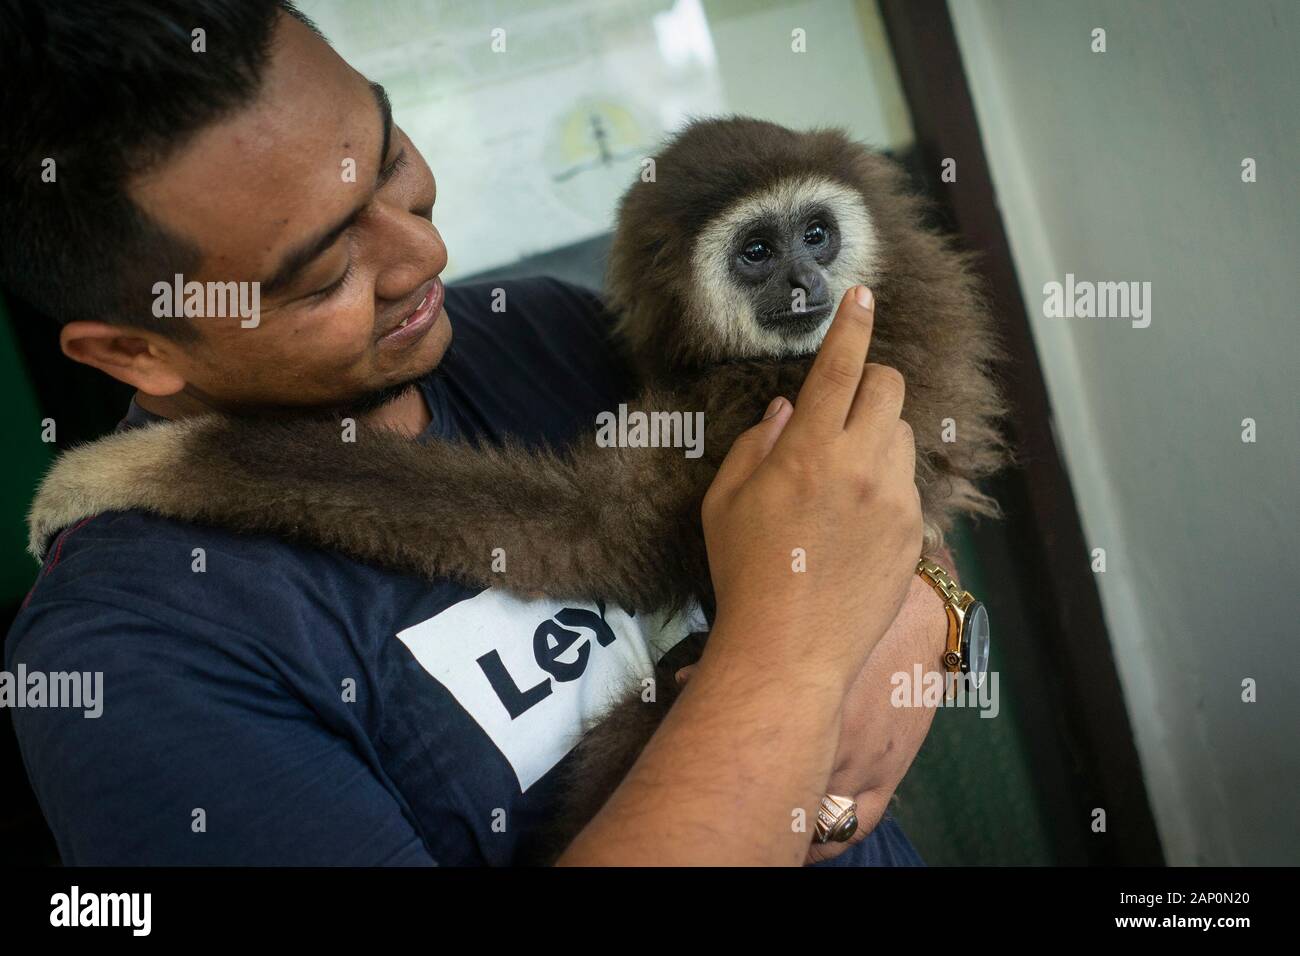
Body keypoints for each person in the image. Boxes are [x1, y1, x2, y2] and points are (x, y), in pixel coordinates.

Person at [1, 0, 952, 866]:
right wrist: (799, 668)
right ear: (135, 352)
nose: (426, 253)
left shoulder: (549, 330)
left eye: (391, 163)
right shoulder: (133, 661)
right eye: (326, 272)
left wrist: (929, 613)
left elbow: (854, 507)